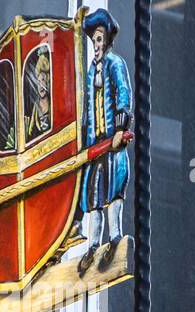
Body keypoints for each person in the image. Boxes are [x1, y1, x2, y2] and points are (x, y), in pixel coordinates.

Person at [78, 8, 132, 276]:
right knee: (95, 195)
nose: (96, 46)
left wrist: (121, 129)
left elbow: (123, 95)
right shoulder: (91, 72)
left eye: (99, 40)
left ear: (107, 41)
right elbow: (88, 106)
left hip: (112, 142)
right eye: (93, 41)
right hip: (95, 144)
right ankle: (94, 244)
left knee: (113, 190)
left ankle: (115, 238)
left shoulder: (115, 64)